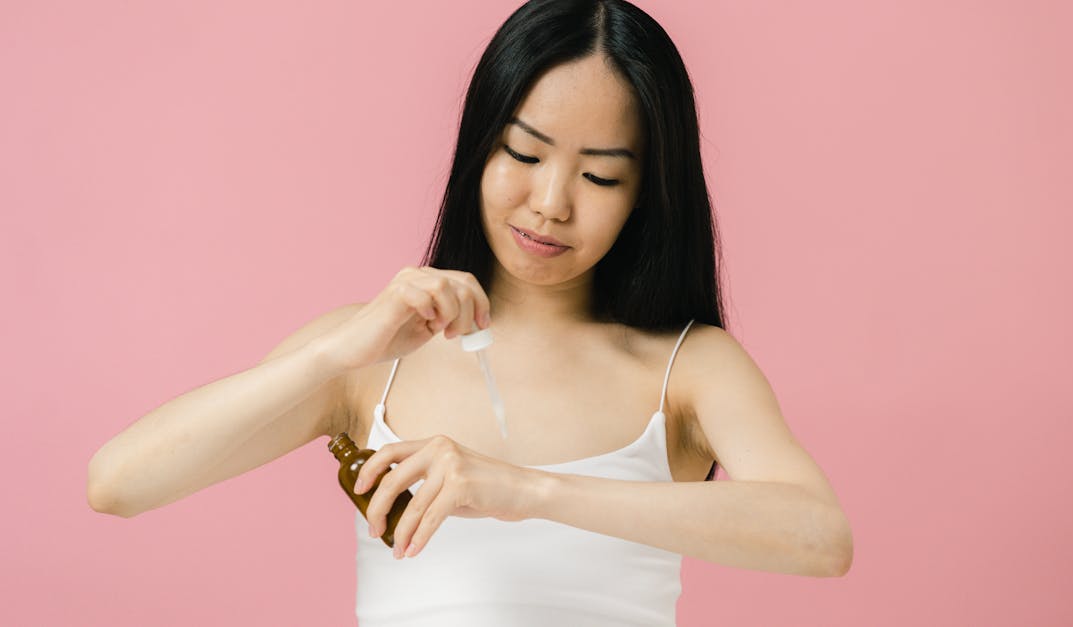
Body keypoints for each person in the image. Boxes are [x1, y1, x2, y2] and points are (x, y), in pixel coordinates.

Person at [87, 0, 853, 624]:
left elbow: (820, 535)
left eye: (599, 176)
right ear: (478, 147)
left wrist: (525, 491)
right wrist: (328, 357)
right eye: (523, 155)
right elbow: (118, 483)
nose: (550, 204)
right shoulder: (370, 356)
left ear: (649, 194)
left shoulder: (688, 366)